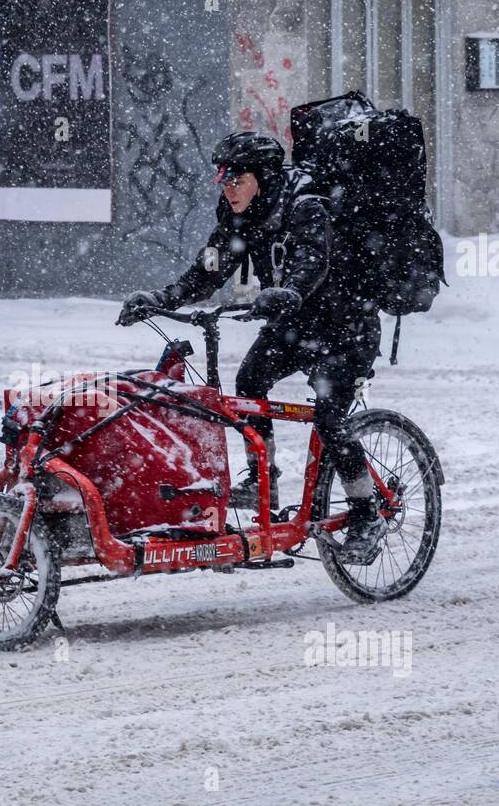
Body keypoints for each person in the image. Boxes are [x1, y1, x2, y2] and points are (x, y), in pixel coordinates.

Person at [116, 131, 387, 565]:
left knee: (330, 416)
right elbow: (208, 271)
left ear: (262, 177)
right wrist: (160, 299)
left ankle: (366, 512)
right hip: (296, 325)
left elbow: (312, 262)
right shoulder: (239, 214)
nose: (228, 188)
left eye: (236, 180)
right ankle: (265, 479)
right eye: (223, 180)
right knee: (249, 383)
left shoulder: (305, 206)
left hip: (346, 327)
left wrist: (292, 291)